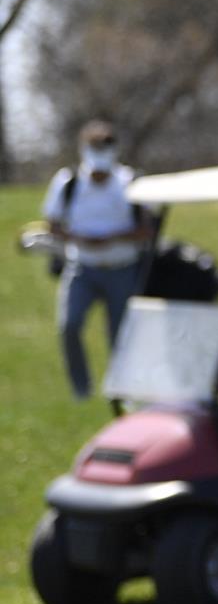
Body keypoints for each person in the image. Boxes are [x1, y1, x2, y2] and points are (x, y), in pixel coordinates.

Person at [41, 121, 151, 400]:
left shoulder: (130, 182)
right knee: (69, 324)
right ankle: (81, 390)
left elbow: (146, 230)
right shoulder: (68, 183)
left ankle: (121, 391)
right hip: (82, 267)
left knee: (120, 335)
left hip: (122, 268)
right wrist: (79, 239)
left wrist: (113, 238)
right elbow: (52, 225)